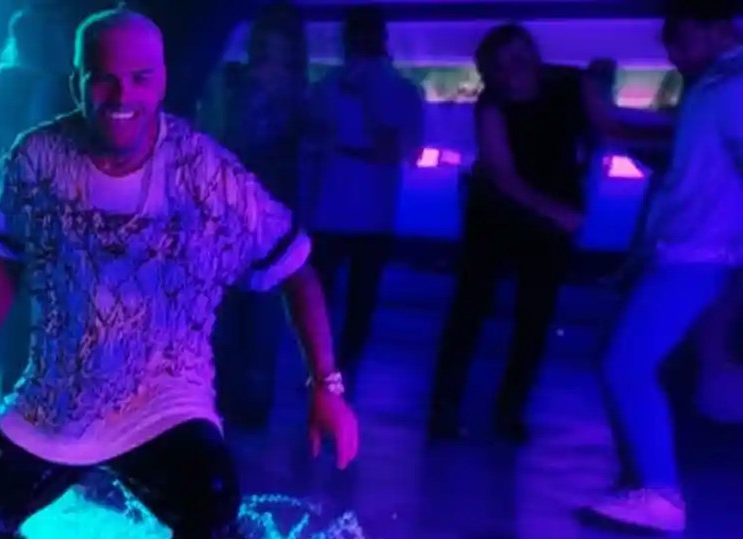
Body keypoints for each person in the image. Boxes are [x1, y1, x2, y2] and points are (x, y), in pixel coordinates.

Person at [0, 9, 359, 539]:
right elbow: (5, 256)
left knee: (212, 528)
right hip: (59, 395)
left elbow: (298, 268)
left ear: (163, 81)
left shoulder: (203, 171)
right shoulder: (37, 158)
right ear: (77, 81)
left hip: (166, 397)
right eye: (102, 77)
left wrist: (327, 386)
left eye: (139, 76)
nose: (121, 93)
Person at [585, 0, 742, 532]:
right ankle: (648, 483)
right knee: (631, 364)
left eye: (679, 36)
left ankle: (660, 493)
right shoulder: (714, 87)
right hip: (689, 251)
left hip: (696, 253)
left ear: (718, 28)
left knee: (625, 365)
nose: (672, 51)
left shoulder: (729, 87)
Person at [427, 24, 590, 442]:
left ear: (533, 54)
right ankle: (447, 409)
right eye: (502, 65)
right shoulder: (493, 106)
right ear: (490, 74)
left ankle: (508, 413)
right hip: (496, 214)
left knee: (532, 319)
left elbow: (605, 125)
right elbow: (503, 176)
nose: (514, 69)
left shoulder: (568, 86)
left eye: (519, 57)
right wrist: (557, 211)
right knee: (471, 309)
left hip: (544, 217)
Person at [0, 4, 76, 397]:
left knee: (29, 309)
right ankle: (21, 397)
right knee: (28, 308)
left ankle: (23, 395)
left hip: (30, 207)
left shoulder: (41, 84)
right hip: (29, 207)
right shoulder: (25, 85)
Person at [308, 5, 424, 390]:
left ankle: (340, 370)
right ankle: (326, 368)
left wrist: (366, 105)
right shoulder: (329, 84)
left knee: (357, 298)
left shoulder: (400, 90)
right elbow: (311, 139)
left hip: (369, 211)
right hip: (333, 208)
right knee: (330, 296)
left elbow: (400, 151)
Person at [206, 1, 309, 428]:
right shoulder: (245, 85)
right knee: (234, 309)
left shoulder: (293, 92)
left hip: (271, 209)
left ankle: (247, 402)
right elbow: (228, 139)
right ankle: (235, 399)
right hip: (235, 210)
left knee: (260, 311)